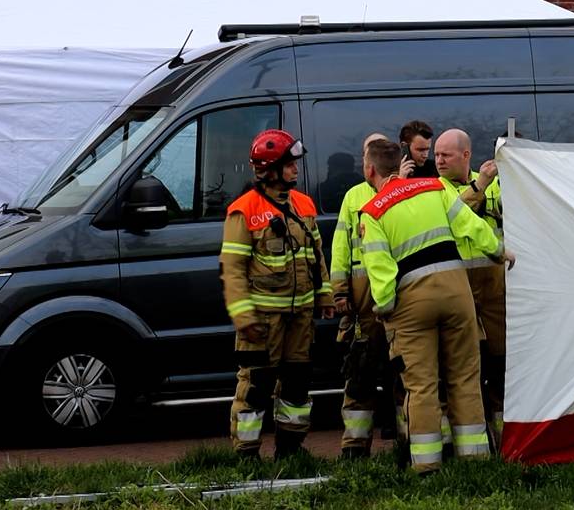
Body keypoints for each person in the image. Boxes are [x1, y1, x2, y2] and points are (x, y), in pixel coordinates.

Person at [358, 138, 514, 474]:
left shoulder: (372, 212)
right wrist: (499, 252)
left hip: (412, 304)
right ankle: (475, 461)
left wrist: (384, 307)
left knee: (423, 385)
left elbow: (380, 269)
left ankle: (427, 467)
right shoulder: (432, 187)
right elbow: (470, 225)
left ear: (370, 170)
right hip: (458, 295)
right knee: (465, 379)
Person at [219, 129, 335, 459]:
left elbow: (316, 255)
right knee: (256, 387)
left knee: (297, 385)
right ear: (271, 169)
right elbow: (233, 269)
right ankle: (247, 453)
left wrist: (324, 296)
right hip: (262, 321)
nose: (296, 169)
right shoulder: (244, 211)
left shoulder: (304, 205)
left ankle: (290, 449)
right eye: (290, 164)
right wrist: (244, 317)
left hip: (300, 317)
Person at [433, 129, 508, 449]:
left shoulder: (491, 181)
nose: (438, 161)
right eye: (436, 154)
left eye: (445, 155)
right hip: (460, 288)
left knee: (502, 364)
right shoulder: (436, 189)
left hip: (495, 290)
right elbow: (452, 217)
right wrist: (480, 187)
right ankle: (473, 442)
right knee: (467, 365)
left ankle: (506, 436)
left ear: (466, 155)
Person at [332, 132, 390, 459]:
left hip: (391, 298)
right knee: (359, 375)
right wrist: (340, 293)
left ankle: (409, 446)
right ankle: (354, 448)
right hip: (360, 303)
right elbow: (341, 246)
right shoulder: (353, 197)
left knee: (401, 375)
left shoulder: (400, 193)